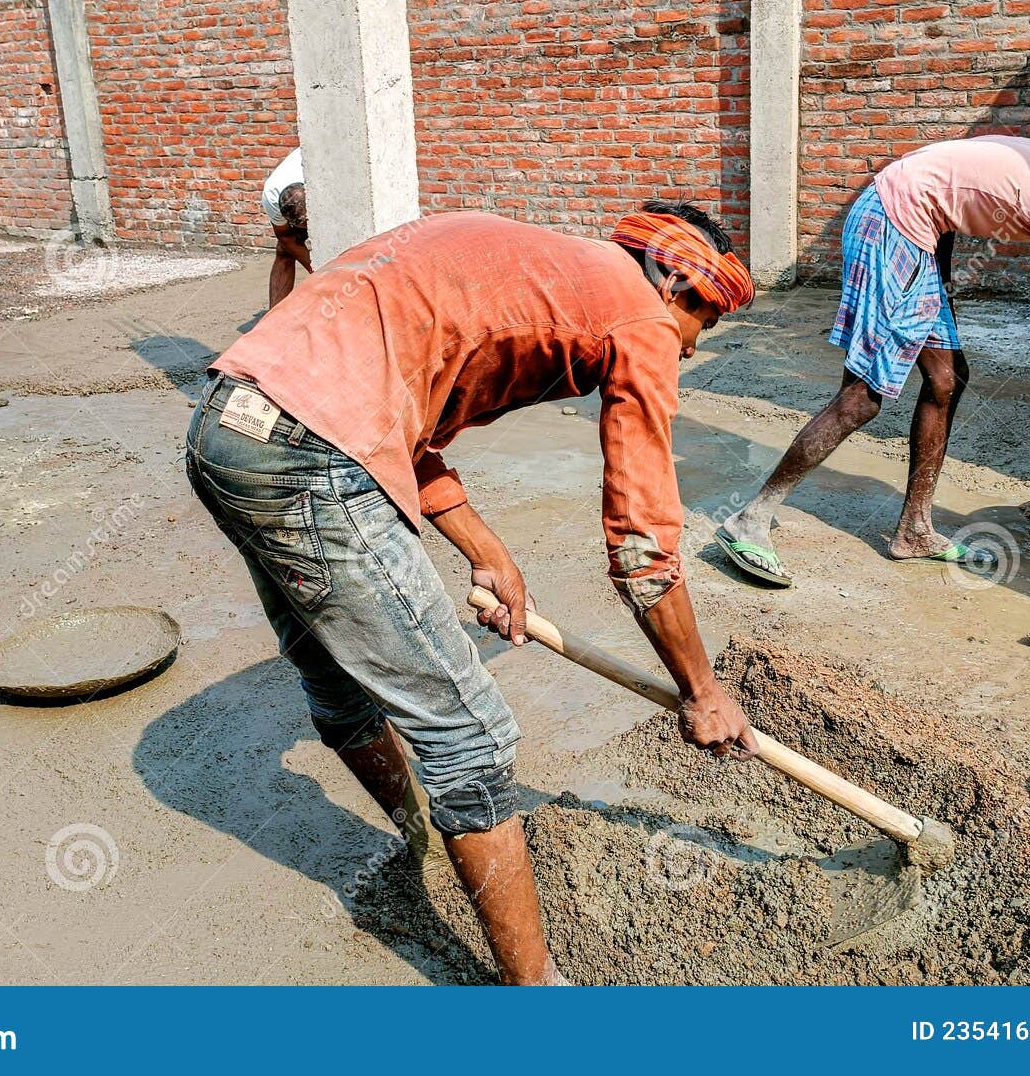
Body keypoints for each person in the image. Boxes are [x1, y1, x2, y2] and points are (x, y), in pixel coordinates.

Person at [186, 200, 758, 984]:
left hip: (227, 427)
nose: (688, 352)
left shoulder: (526, 257)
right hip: (312, 454)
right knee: (471, 736)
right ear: (681, 288)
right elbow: (642, 548)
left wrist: (486, 550)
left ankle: (417, 844)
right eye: (703, 330)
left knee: (335, 673)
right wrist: (703, 689)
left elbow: (394, 415)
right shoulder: (643, 320)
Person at [714, 133, 1030, 588]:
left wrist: (939, 284)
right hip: (891, 221)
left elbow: (949, 188)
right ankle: (750, 518)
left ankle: (914, 529)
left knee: (946, 379)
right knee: (865, 394)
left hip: (913, 224)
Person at [262, 146, 311, 307]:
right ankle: (274, 321)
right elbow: (285, 237)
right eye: (300, 226)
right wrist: (315, 269)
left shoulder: (319, 178)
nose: (305, 229)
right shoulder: (271, 196)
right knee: (284, 251)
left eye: (307, 224)